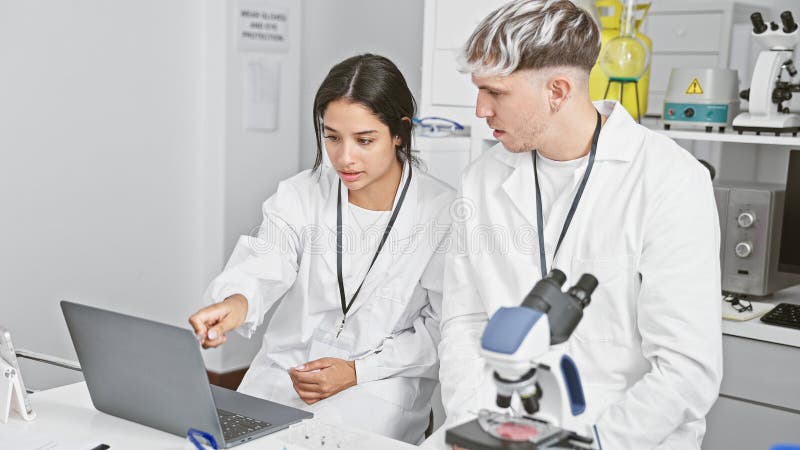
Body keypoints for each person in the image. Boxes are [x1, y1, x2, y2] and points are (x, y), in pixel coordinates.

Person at [437, 1, 722, 449]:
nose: (480, 109)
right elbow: (465, 322)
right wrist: (476, 427)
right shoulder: (481, 181)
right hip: (500, 423)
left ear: (557, 90)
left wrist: (595, 442)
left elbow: (686, 368)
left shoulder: (669, 179)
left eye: (496, 92)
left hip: (619, 432)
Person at [189, 54, 455, 444]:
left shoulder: (443, 212)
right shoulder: (302, 193)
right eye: (331, 137)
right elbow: (266, 261)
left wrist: (357, 371)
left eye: (364, 140)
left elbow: (440, 326)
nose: (344, 157)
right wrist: (235, 304)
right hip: (283, 376)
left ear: (400, 132)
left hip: (378, 388)